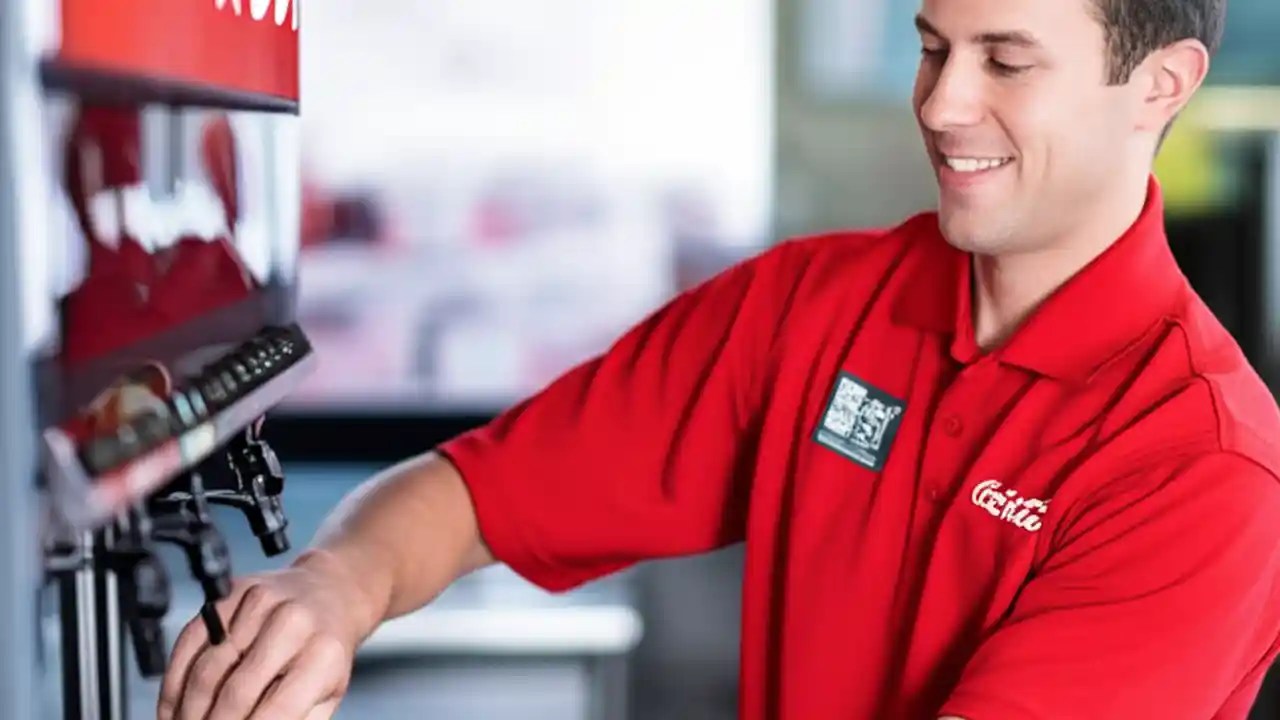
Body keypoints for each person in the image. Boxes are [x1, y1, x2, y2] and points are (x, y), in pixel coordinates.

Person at [157, 0, 1280, 718]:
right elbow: (480, 491)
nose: (939, 103)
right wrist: (333, 586)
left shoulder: (1203, 468)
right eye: (932, 45)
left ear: (1158, 86)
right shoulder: (812, 306)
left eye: (1003, 59)